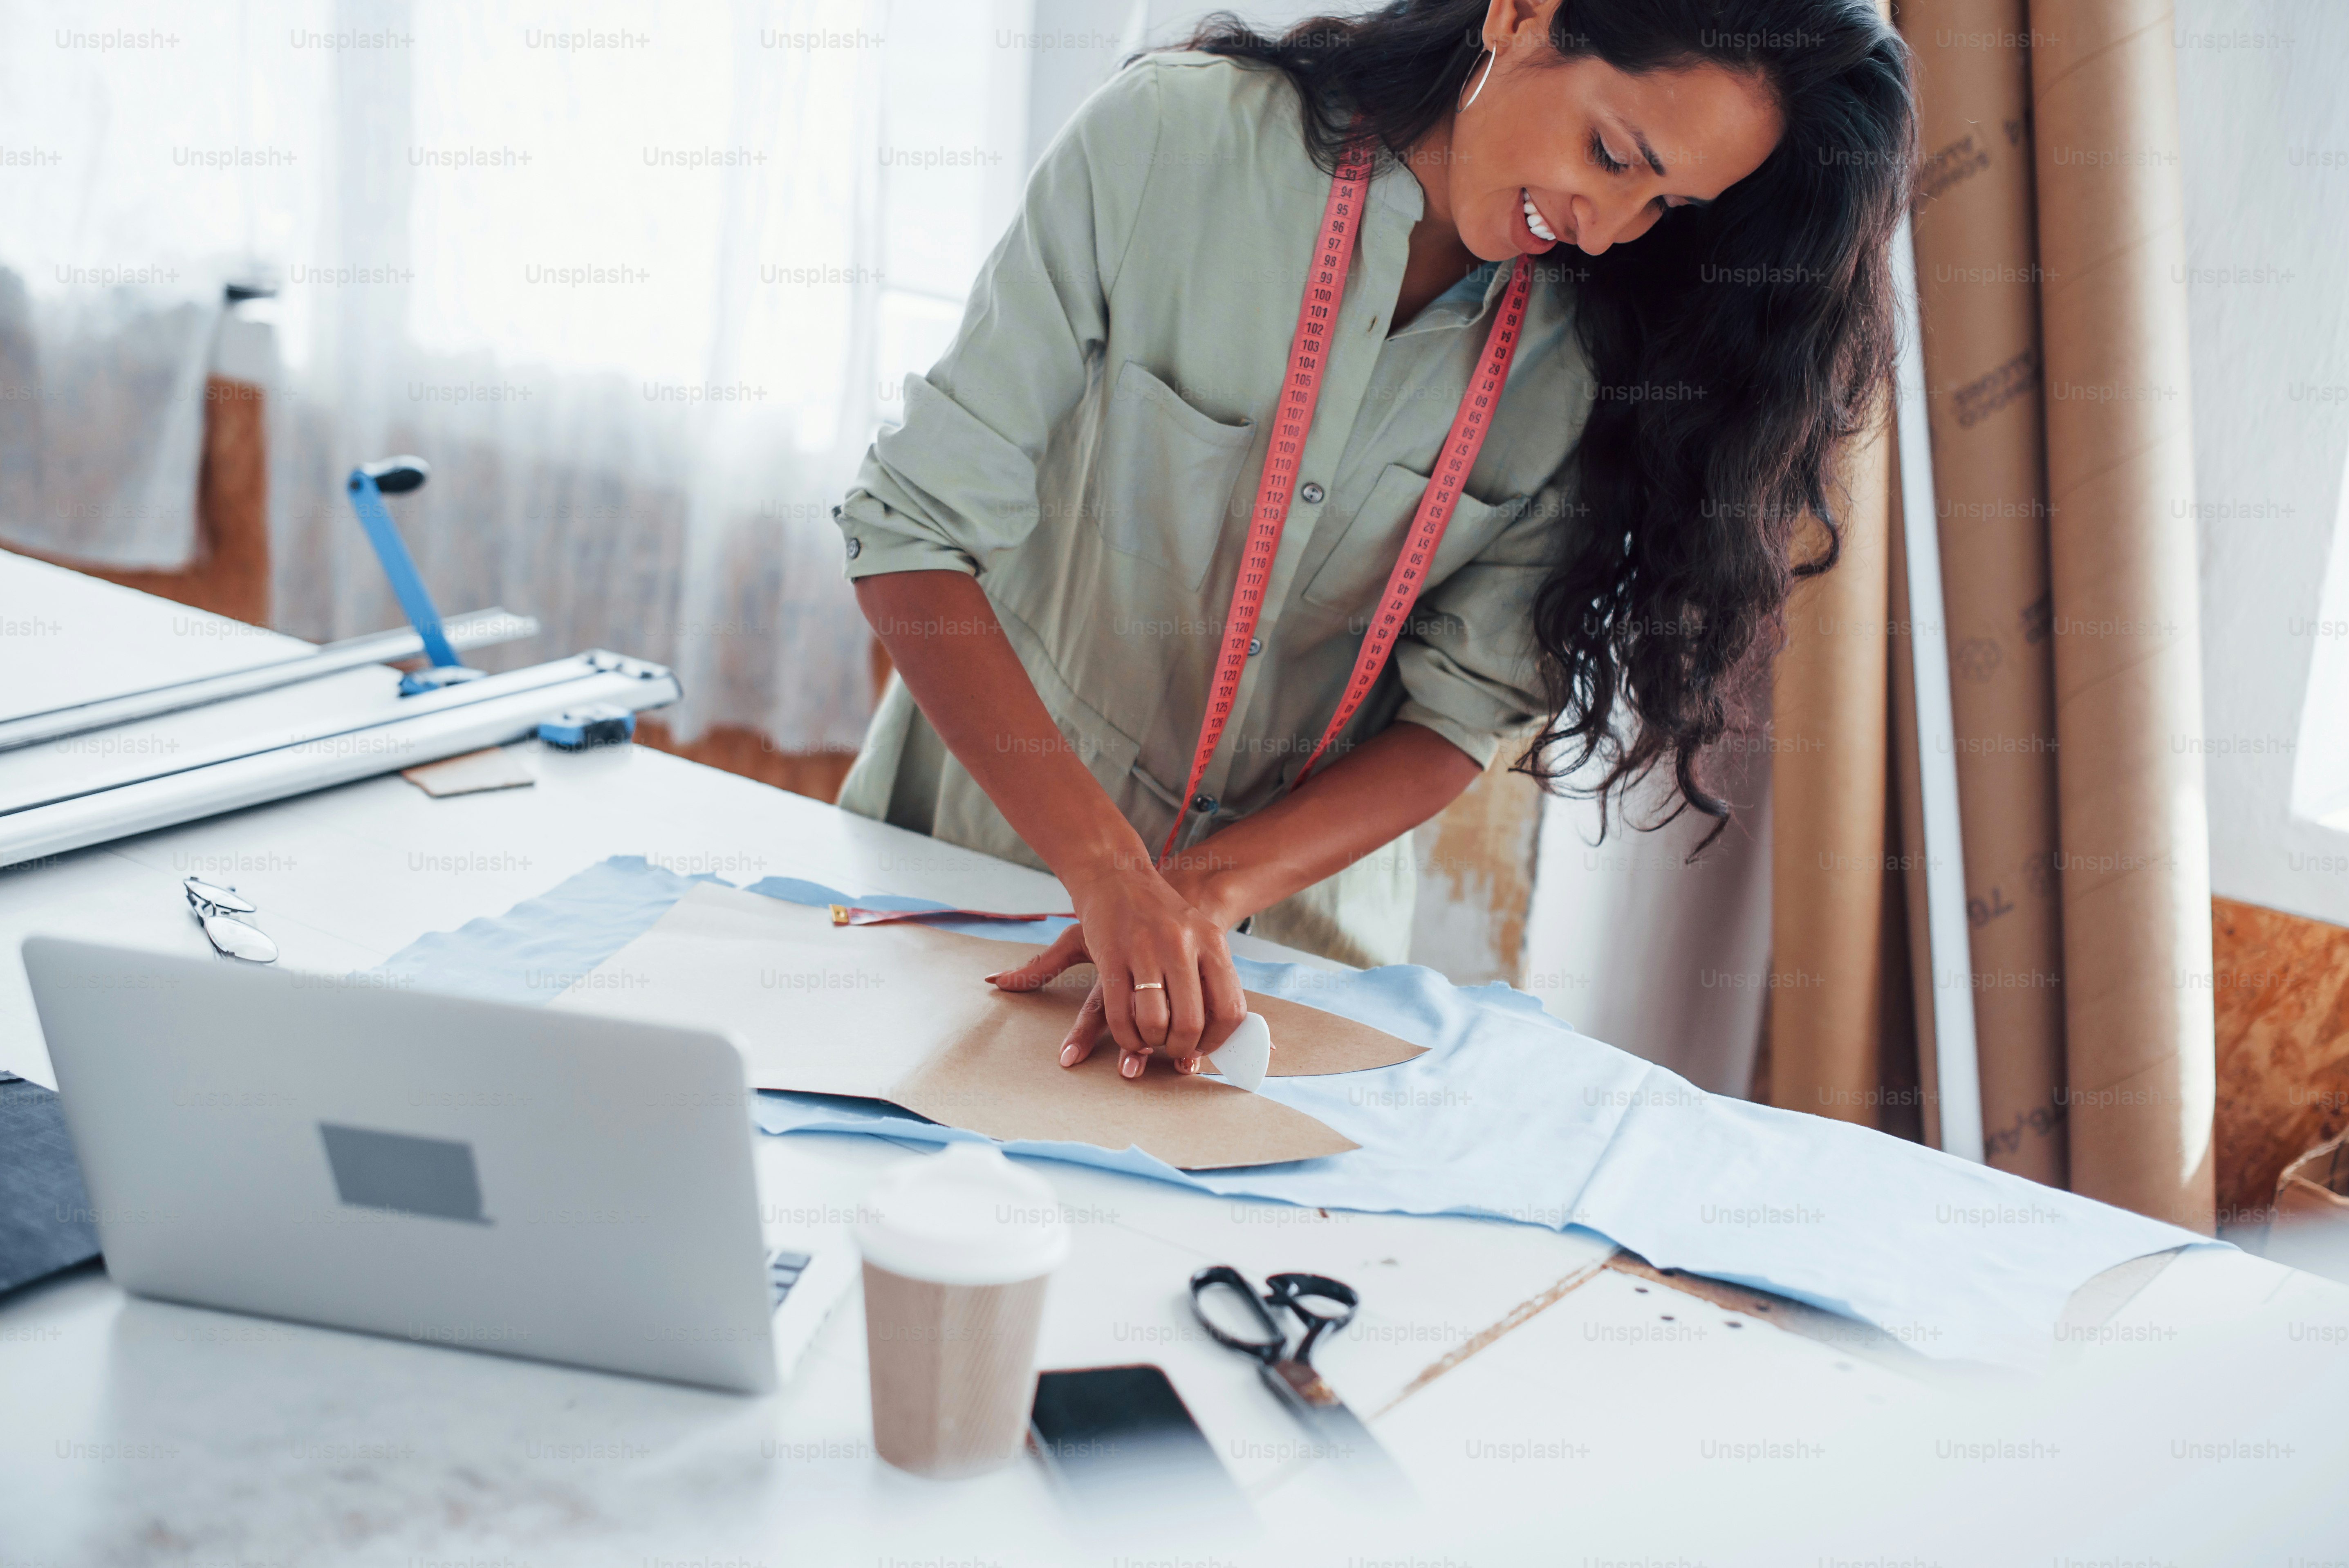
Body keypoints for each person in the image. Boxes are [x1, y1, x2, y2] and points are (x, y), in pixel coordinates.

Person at [831, 0, 1912, 1084]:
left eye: (1664, 203)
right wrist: (1109, 874)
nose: (1609, 226)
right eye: (1611, 154)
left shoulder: (1592, 355)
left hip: (1278, 966)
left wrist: (1195, 898)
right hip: (971, 873)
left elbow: (1452, 715)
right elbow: (911, 534)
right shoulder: (1173, 142)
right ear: (1522, 15)